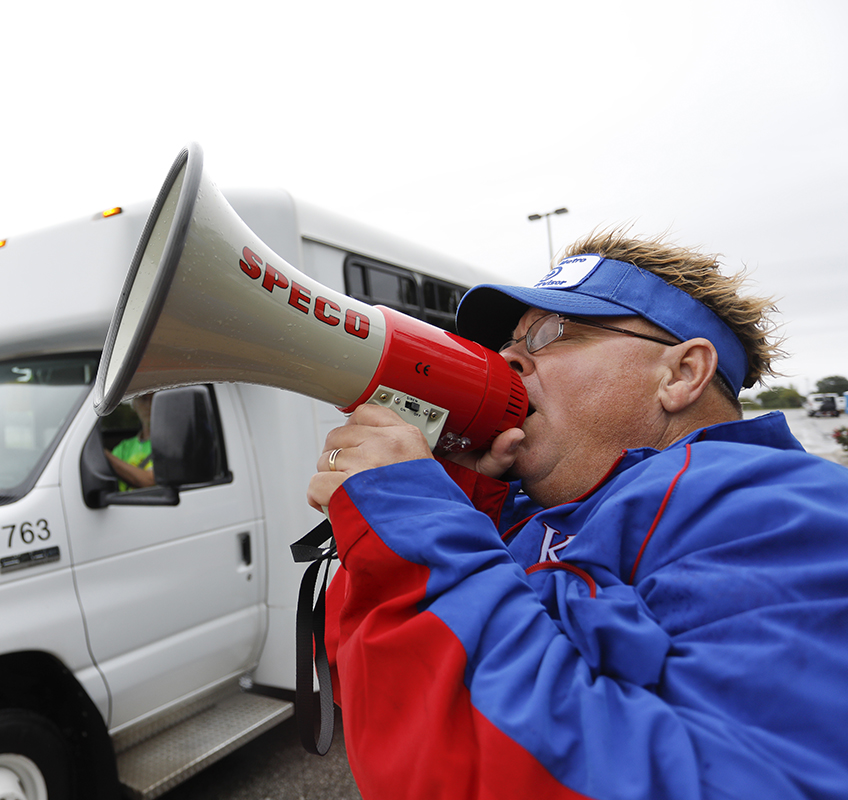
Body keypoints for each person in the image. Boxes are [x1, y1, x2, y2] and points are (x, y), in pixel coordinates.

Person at [308, 231, 848, 799]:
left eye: (550, 335)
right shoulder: (516, 511)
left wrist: (415, 523)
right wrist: (449, 503)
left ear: (682, 373)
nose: (508, 358)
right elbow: (388, 705)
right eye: (509, 343)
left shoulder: (782, 507)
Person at [104, 393, 155, 490]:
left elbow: (149, 480)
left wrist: (103, 453)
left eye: (155, 398)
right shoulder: (123, 447)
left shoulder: (172, 444)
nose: (149, 405)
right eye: (144, 399)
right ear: (134, 405)